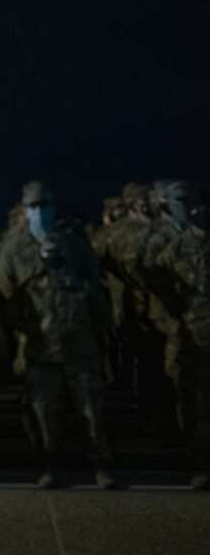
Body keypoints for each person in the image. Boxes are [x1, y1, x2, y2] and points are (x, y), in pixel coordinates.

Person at [0, 182, 115, 488]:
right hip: (40, 344)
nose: (39, 213)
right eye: (33, 207)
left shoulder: (74, 244)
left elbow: (95, 287)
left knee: (91, 408)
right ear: (25, 210)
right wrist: (25, 330)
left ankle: (100, 465)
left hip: (79, 341)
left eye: (44, 206)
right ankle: (50, 465)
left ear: (53, 207)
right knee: (45, 410)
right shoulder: (13, 248)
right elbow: (6, 294)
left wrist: (98, 329)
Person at [146, 181, 210, 490]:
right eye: (181, 200)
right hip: (182, 331)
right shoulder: (159, 239)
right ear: (167, 203)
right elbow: (151, 277)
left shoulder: (202, 235)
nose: (189, 205)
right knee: (191, 398)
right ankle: (199, 462)